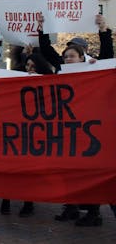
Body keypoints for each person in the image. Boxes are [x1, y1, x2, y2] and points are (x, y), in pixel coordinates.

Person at [44, 16, 112, 227]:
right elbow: (47, 52)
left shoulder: (94, 68)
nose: (67, 60)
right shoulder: (62, 70)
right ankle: (71, 207)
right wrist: (42, 29)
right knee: (69, 171)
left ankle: (93, 212)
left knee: (88, 171)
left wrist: (104, 30)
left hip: (90, 129)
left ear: (82, 57)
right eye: (66, 57)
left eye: (72, 56)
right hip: (68, 127)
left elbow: (108, 55)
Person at [0, 52, 54, 217]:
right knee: (10, 170)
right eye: (28, 66)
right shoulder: (17, 80)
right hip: (16, 132)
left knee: (28, 172)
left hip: (35, 135)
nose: (30, 70)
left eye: (33, 67)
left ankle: (28, 203)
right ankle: (6, 199)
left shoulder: (49, 83)